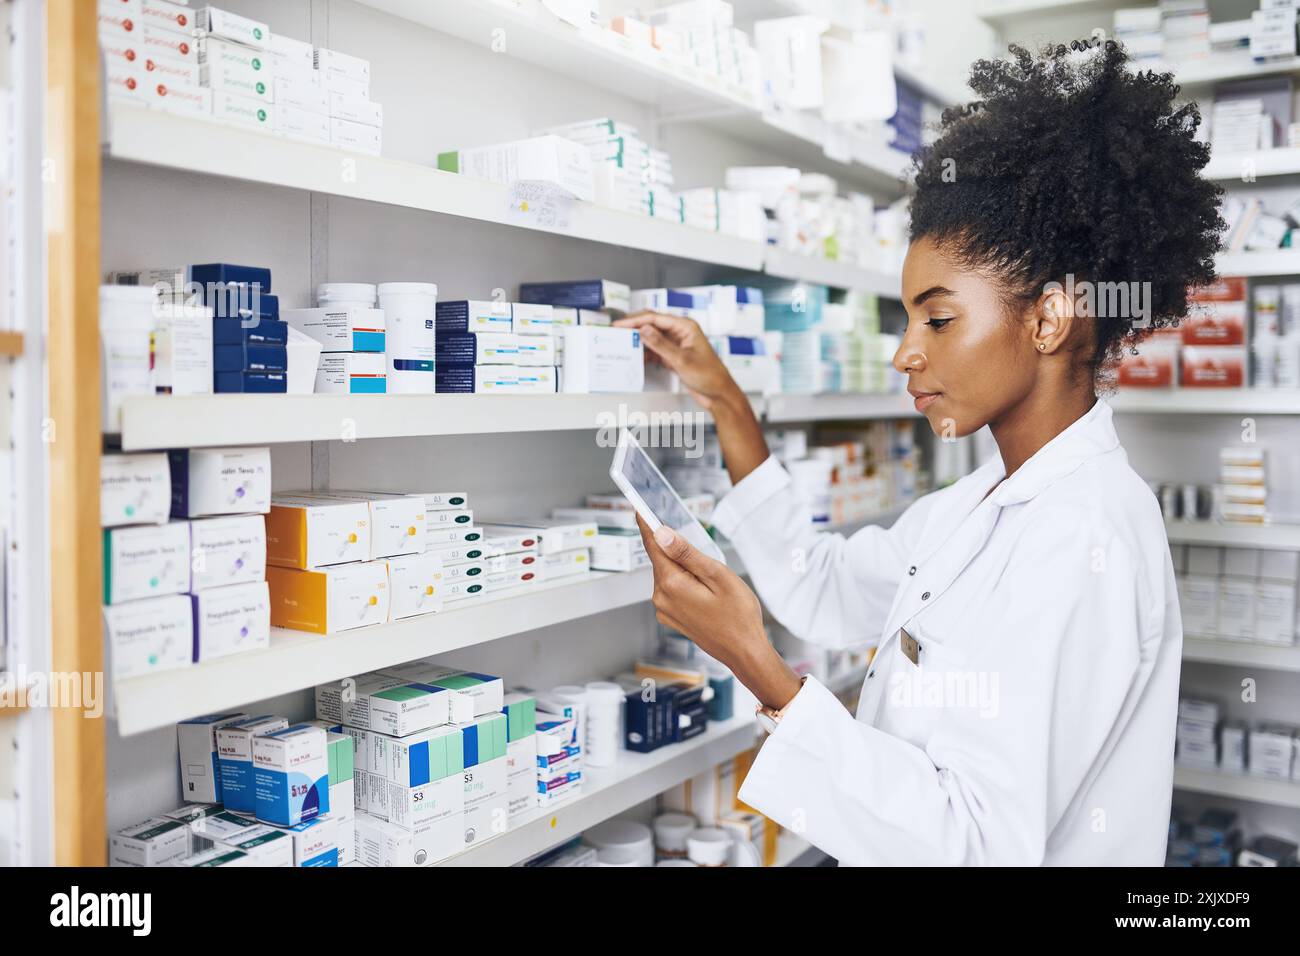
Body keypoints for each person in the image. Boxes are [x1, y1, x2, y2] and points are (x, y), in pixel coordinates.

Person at [615, 39, 1222, 866]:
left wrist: (756, 664)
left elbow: (976, 844)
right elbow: (822, 586)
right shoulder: (977, 504)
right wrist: (720, 394)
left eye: (937, 319)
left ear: (1048, 320)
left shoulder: (1090, 536)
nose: (905, 352)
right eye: (907, 320)